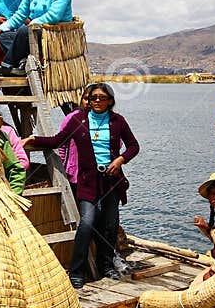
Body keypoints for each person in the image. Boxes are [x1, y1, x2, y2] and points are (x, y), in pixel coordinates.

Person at [23, 83, 138, 288]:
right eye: (93, 98)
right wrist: (34, 139)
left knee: (110, 226)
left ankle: (106, 266)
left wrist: (120, 160)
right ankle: (77, 271)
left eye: (102, 98)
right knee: (86, 223)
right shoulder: (78, 120)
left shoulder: (118, 121)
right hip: (88, 181)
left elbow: (133, 146)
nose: (97, 101)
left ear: (110, 101)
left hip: (111, 180)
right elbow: (58, 140)